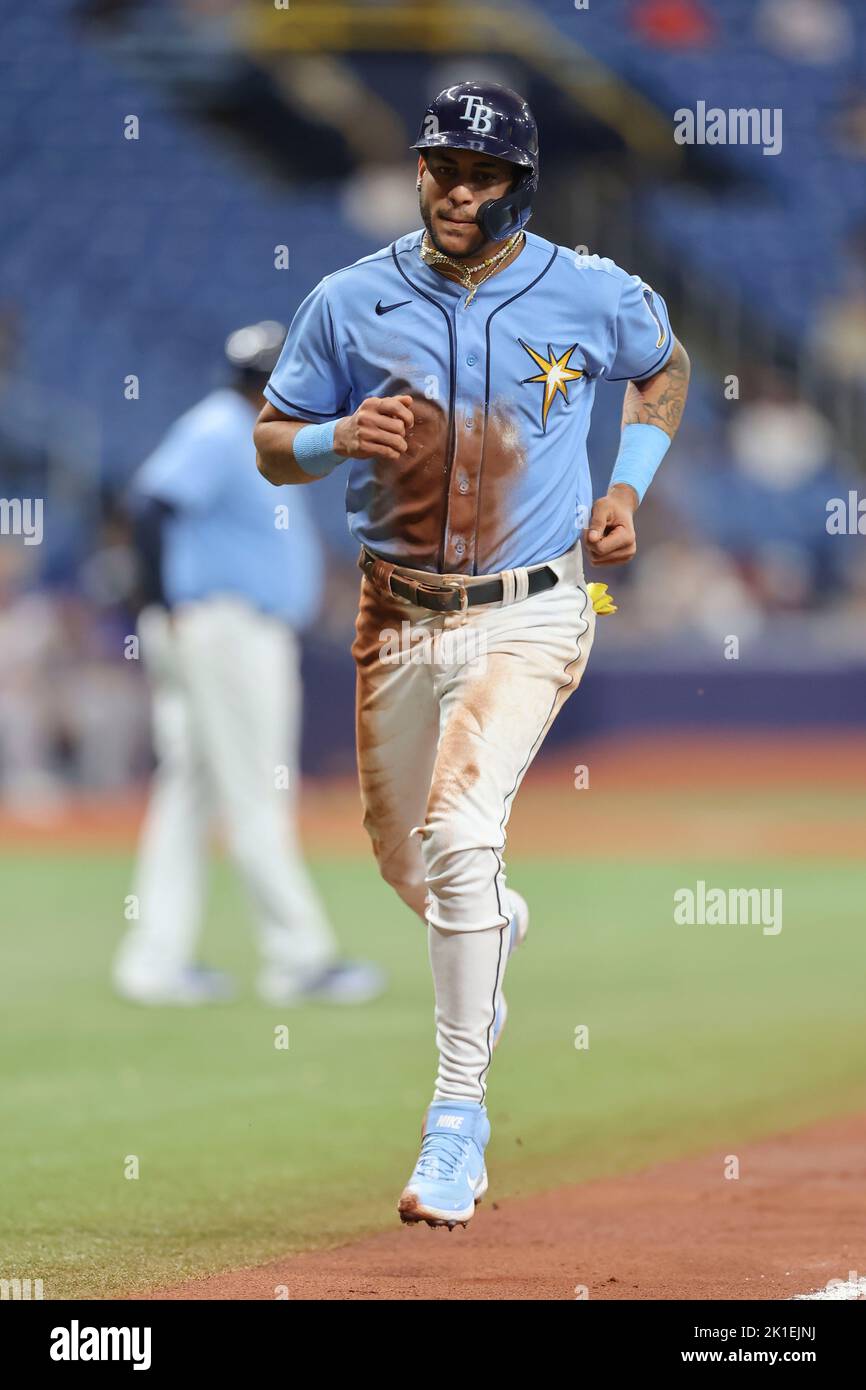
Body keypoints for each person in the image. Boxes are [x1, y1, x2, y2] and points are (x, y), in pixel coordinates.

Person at [254, 82, 690, 1226]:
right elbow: (271, 444)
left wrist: (624, 488)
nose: (455, 190)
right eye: (440, 166)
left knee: (458, 835)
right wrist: (335, 435)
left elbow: (664, 366)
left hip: (529, 607)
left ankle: (456, 1118)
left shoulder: (588, 288)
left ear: (519, 185)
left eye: (480, 173)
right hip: (394, 614)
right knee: (410, 862)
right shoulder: (348, 298)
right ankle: (491, 923)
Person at [113, 321, 385, 1007]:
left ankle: (154, 961)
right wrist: (163, 604)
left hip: (221, 627)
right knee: (259, 789)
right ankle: (299, 958)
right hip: (225, 628)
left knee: (191, 791)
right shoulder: (221, 428)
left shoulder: (252, 432)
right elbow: (149, 507)